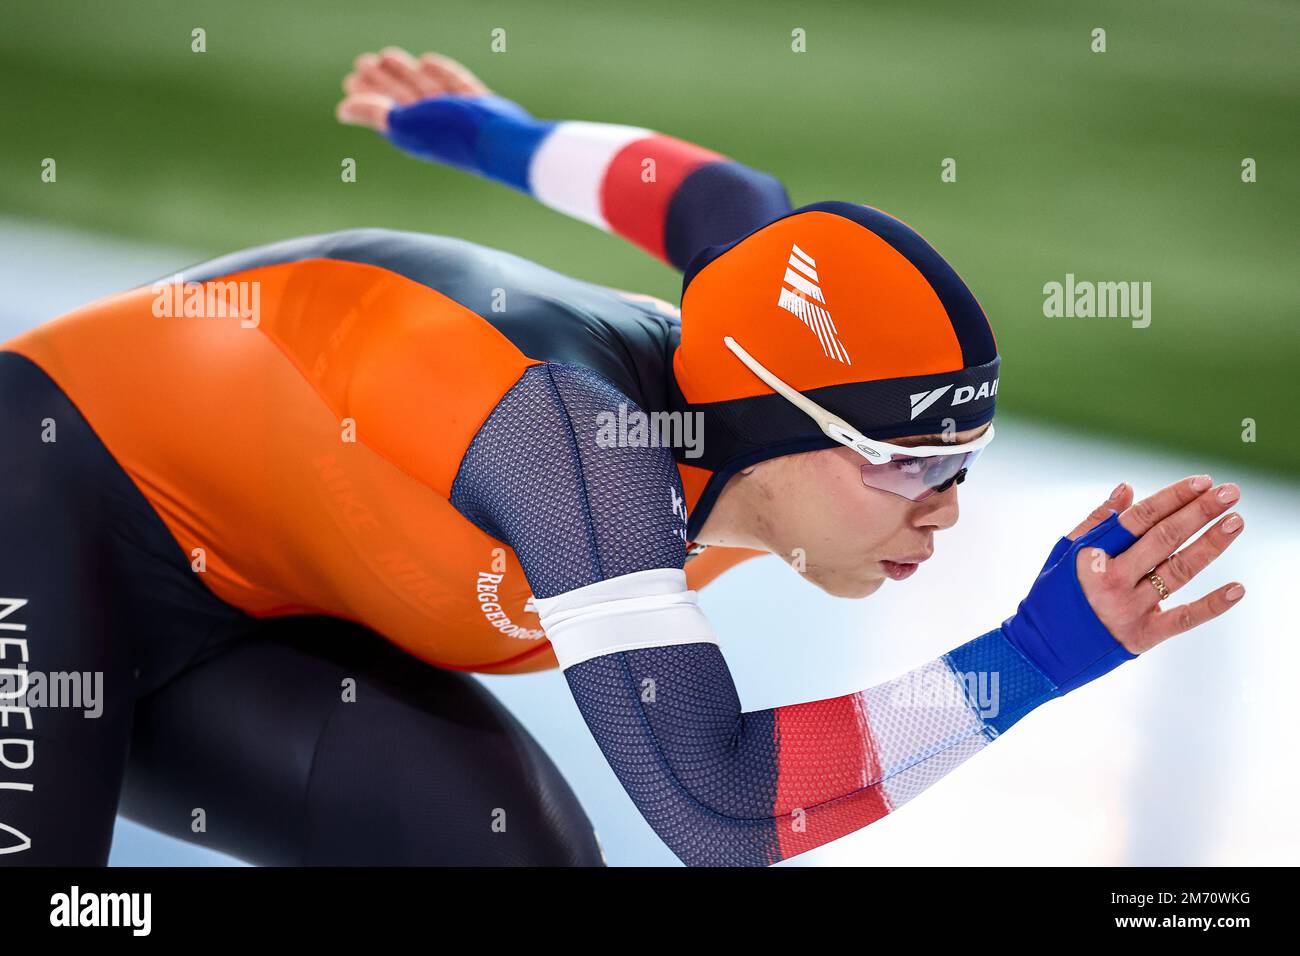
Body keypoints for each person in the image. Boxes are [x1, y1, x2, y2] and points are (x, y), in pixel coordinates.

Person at [0, 48, 1245, 867]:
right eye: (910, 463)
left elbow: (711, 195)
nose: (947, 512)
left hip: (251, 600)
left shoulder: (765, 323)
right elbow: (711, 806)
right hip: (38, 501)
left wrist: (485, 129)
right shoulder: (580, 449)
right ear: (773, 423)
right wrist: (1029, 658)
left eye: (964, 460)